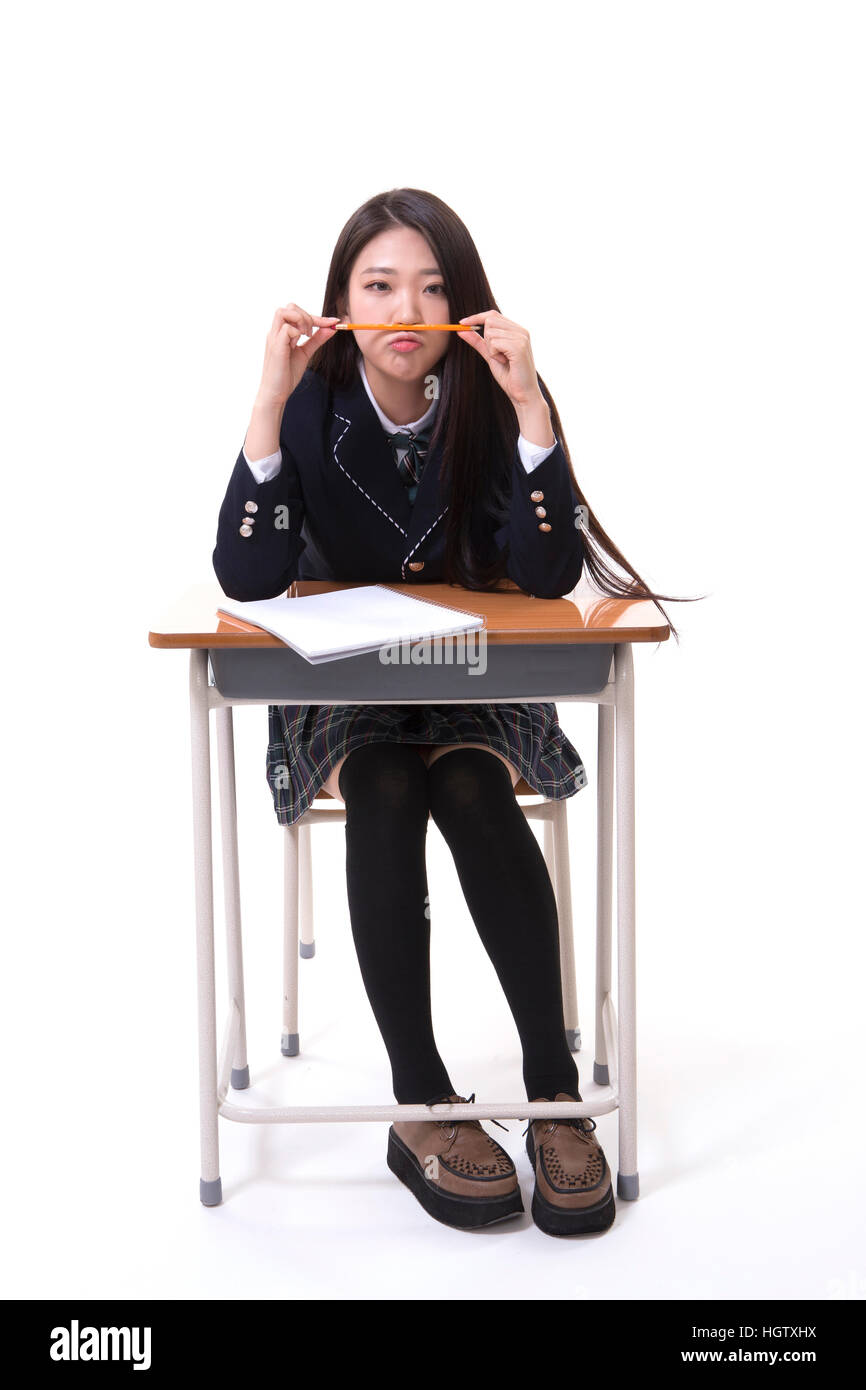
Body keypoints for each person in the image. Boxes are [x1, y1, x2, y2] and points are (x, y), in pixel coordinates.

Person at [213, 187, 688, 1237]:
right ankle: (421, 1101)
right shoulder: (309, 396)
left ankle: (552, 1093)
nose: (402, 312)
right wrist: (262, 406)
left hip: (473, 680)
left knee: (469, 784)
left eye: (429, 289)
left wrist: (531, 414)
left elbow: (546, 571)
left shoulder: (487, 392)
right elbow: (246, 578)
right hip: (342, 694)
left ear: (459, 305)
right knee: (384, 786)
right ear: (340, 302)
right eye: (376, 286)